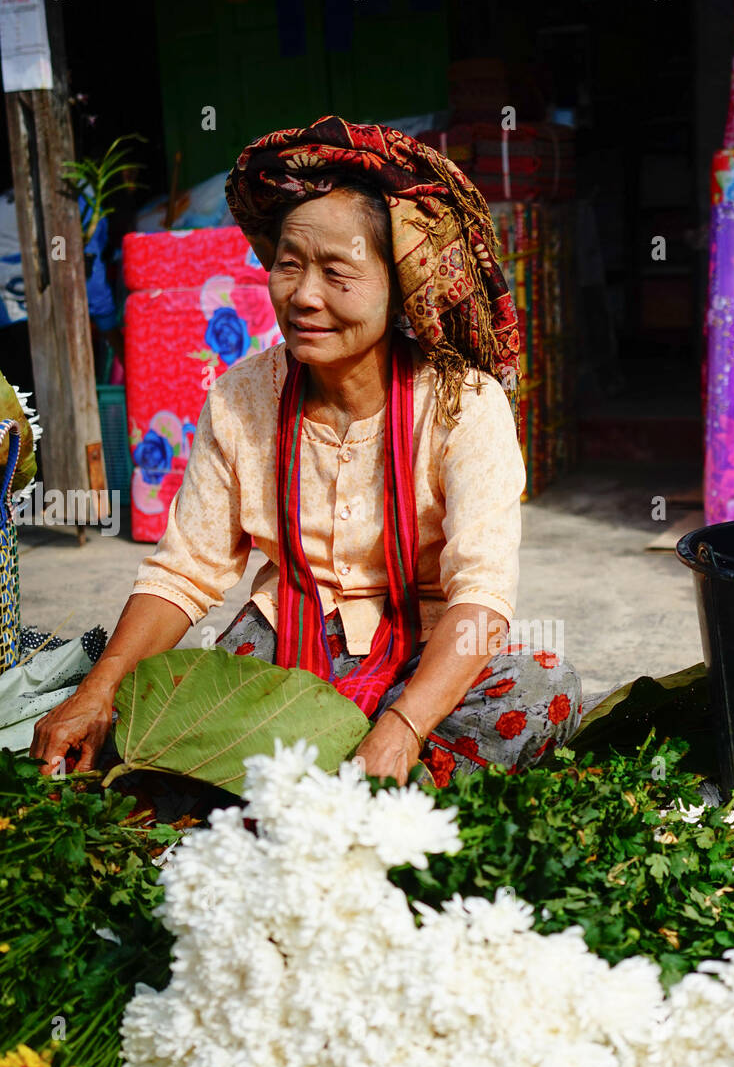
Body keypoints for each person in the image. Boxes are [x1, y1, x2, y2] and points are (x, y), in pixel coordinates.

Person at [31, 117, 581, 787]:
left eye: (337, 271)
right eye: (289, 264)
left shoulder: (464, 405)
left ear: (399, 284)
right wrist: (100, 688)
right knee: (161, 700)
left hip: (427, 644)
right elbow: (184, 571)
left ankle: (356, 764)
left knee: (542, 683)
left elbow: (482, 595)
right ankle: (340, 773)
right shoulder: (242, 398)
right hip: (287, 640)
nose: (304, 296)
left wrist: (403, 724)